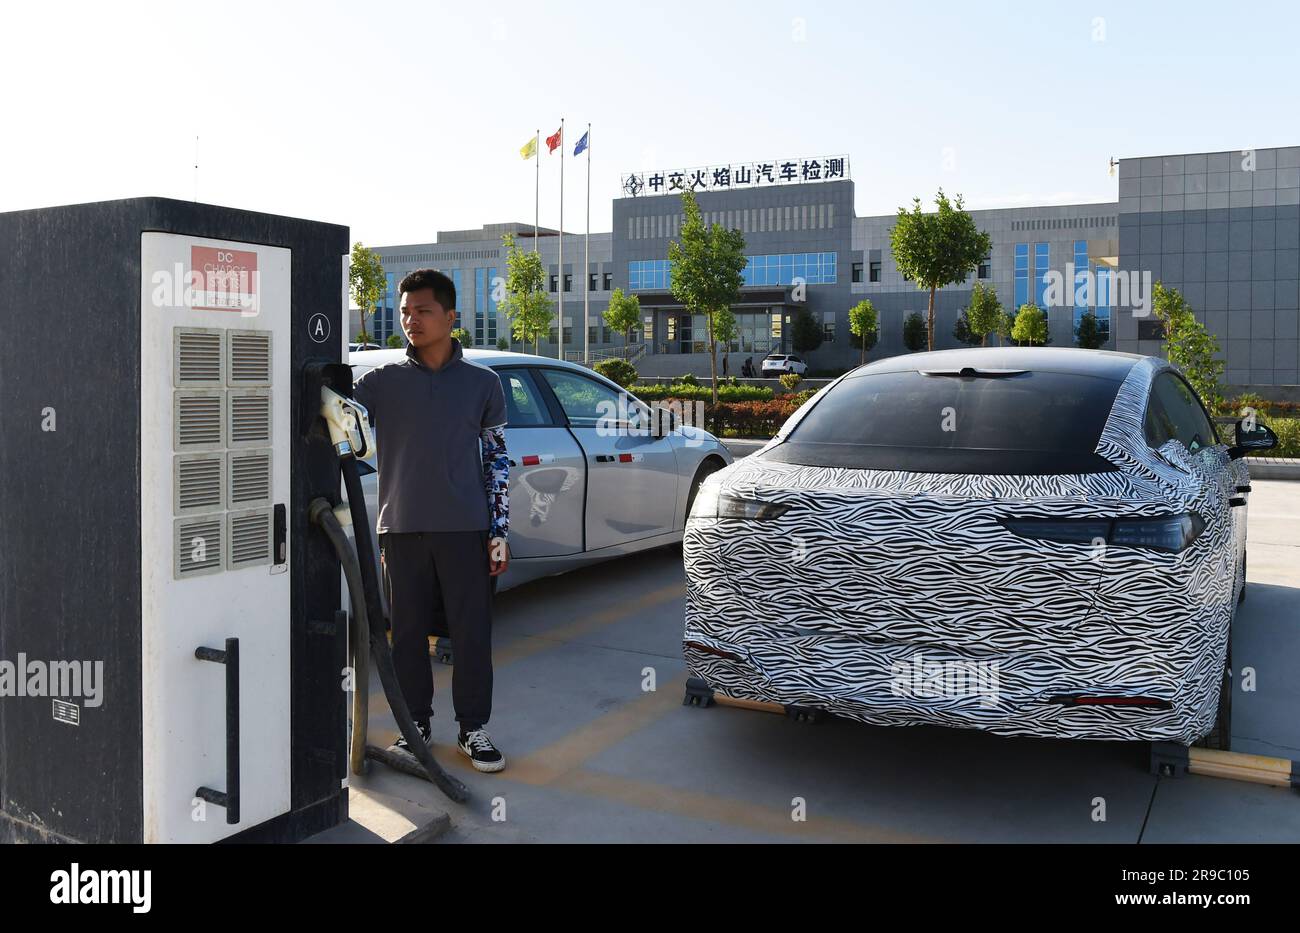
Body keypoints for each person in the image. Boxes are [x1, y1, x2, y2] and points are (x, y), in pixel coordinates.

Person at [352, 269, 509, 773]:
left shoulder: (484, 384)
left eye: (422, 311)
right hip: (400, 527)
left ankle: (473, 729)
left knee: (471, 634)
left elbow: (497, 460)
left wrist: (499, 531)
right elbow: (342, 424)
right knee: (408, 633)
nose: (410, 320)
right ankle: (414, 724)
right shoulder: (379, 383)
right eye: (404, 311)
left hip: (466, 528)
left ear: (450, 316)